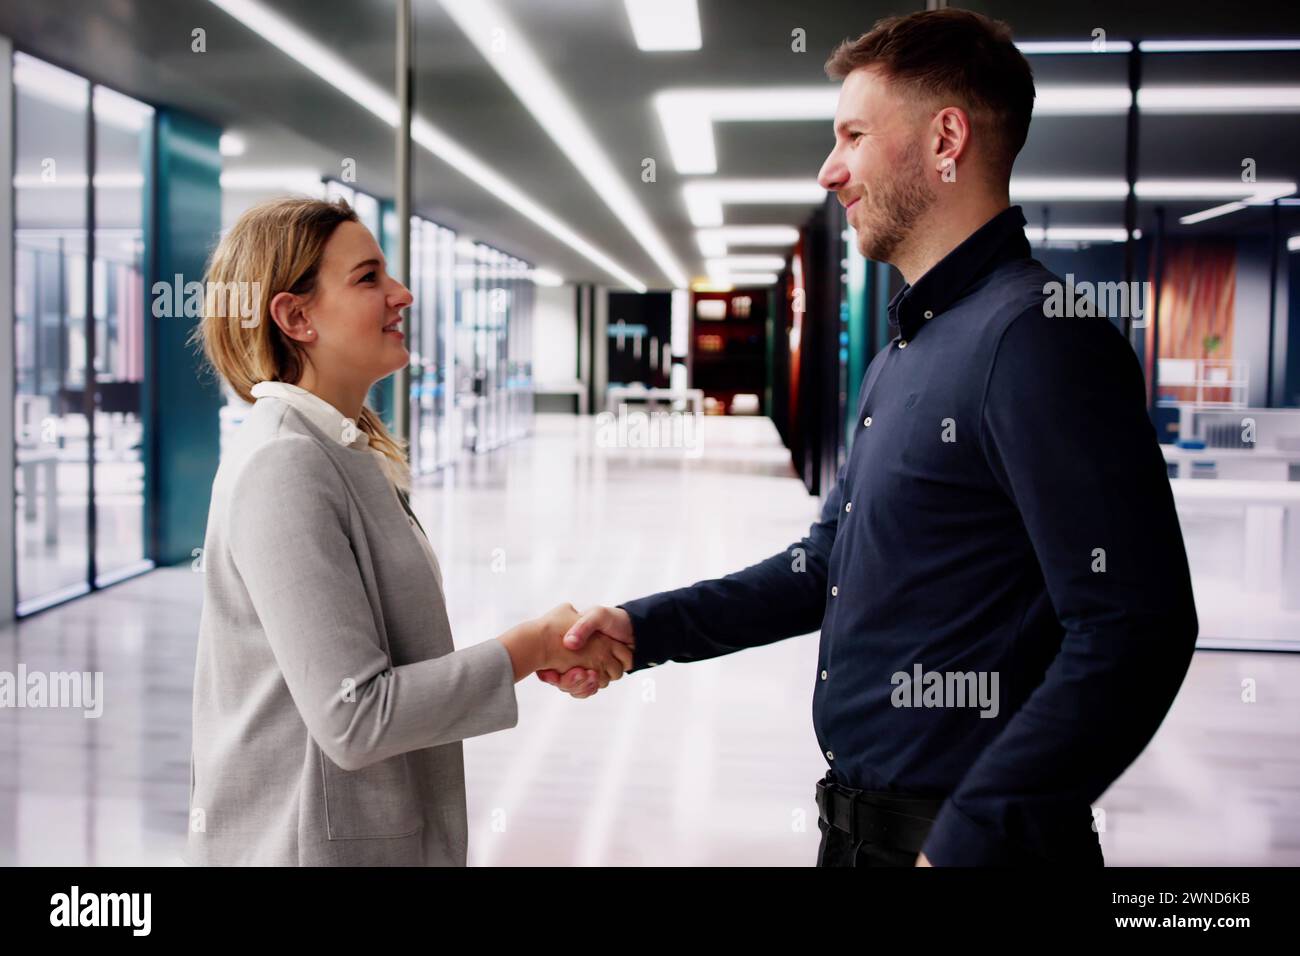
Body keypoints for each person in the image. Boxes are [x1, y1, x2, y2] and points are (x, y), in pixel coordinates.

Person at [542, 9, 1199, 867]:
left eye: (852, 135)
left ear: (946, 139)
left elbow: (1134, 628)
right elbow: (823, 566)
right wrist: (642, 626)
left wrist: (969, 841)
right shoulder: (907, 349)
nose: (830, 171)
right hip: (857, 838)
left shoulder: (1039, 338)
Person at [186, 197, 629, 865]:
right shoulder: (285, 467)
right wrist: (530, 648)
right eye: (368, 278)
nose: (402, 294)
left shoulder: (341, 448)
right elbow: (354, 716)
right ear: (296, 316)